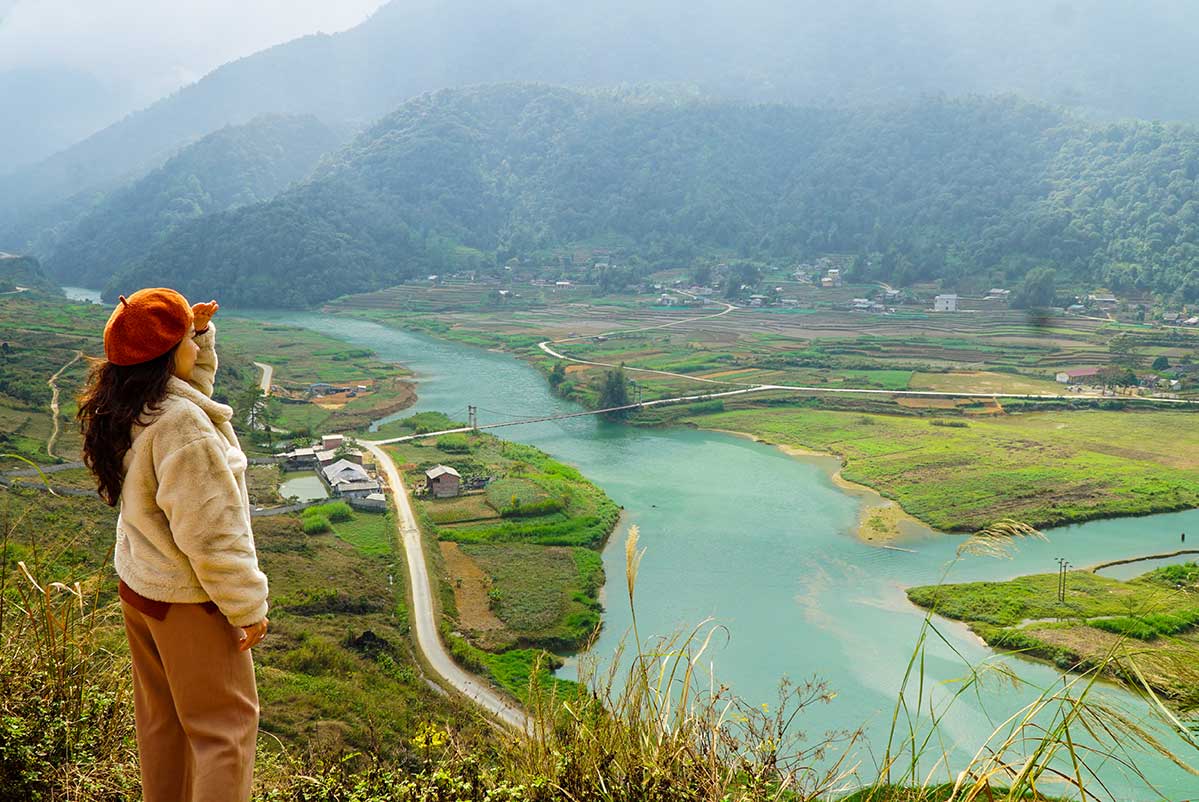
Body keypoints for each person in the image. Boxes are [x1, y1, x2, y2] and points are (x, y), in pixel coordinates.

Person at [77, 288, 269, 802]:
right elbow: (210, 533)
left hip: (143, 589)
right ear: (166, 355)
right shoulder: (184, 430)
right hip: (189, 601)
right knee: (224, 730)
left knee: (164, 723)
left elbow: (189, 390)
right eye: (186, 338)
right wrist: (247, 605)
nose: (193, 345)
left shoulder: (129, 404)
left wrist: (198, 336)